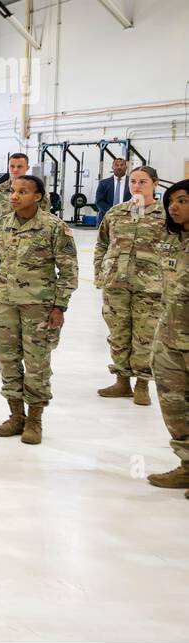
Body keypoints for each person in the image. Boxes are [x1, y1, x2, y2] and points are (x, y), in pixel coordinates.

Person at [0, 174, 79, 444]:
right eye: (13, 191)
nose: (14, 196)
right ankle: (15, 416)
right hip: (5, 303)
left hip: (39, 306)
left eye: (22, 192)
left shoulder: (54, 227)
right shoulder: (2, 225)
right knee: (7, 361)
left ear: (37, 197)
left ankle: (35, 420)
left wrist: (60, 306)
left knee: (37, 364)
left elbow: (69, 270)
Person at [94, 165, 164, 406]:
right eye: (133, 181)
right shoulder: (116, 213)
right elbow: (102, 244)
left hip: (151, 287)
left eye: (142, 182)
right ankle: (122, 381)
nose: (136, 186)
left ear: (155, 184)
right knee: (118, 333)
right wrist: (99, 273)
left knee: (146, 335)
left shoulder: (166, 216)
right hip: (116, 283)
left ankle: (143, 383)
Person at [146, 180, 189, 495]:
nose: (174, 207)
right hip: (170, 337)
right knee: (173, 403)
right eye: (171, 200)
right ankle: (187, 465)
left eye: (183, 200)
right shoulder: (172, 241)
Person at [0, 152, 30, 219]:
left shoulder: (35, 191)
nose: (15, 170)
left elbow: (45, 219)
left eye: (19, 167)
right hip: (4, 229)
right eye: (12, 166)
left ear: (27, 168)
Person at [95, 156, 131, 224]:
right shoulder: (103, 183)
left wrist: (124, 212)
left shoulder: (132, 182)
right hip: (106, 218)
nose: (119, 167)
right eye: (116, 165)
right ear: (112, 167)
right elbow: (99, 201)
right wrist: (113, 212)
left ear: (126, 167)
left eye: (122, 165)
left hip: (127, 218)